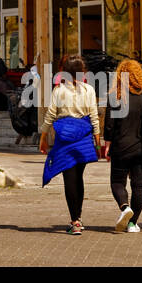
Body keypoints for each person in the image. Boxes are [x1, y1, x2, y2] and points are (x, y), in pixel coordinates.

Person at [40, 55, 102, 235]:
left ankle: (74, 220)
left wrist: (43, 137)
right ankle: (79, 218)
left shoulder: (58, 91)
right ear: (82, 72)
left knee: (70, 179)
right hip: (83, 138)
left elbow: (51, 114)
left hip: (64, 139)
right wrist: (97, 140)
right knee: (79, 178)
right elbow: (93, 116)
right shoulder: (89, 90)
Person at [104, 60, 142, 233]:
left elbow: (109, 125)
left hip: (121, 147)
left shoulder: (115, 96)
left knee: (117, 182)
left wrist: (107, 145)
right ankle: (133, 223)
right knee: (139, 186)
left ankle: (124, 207)